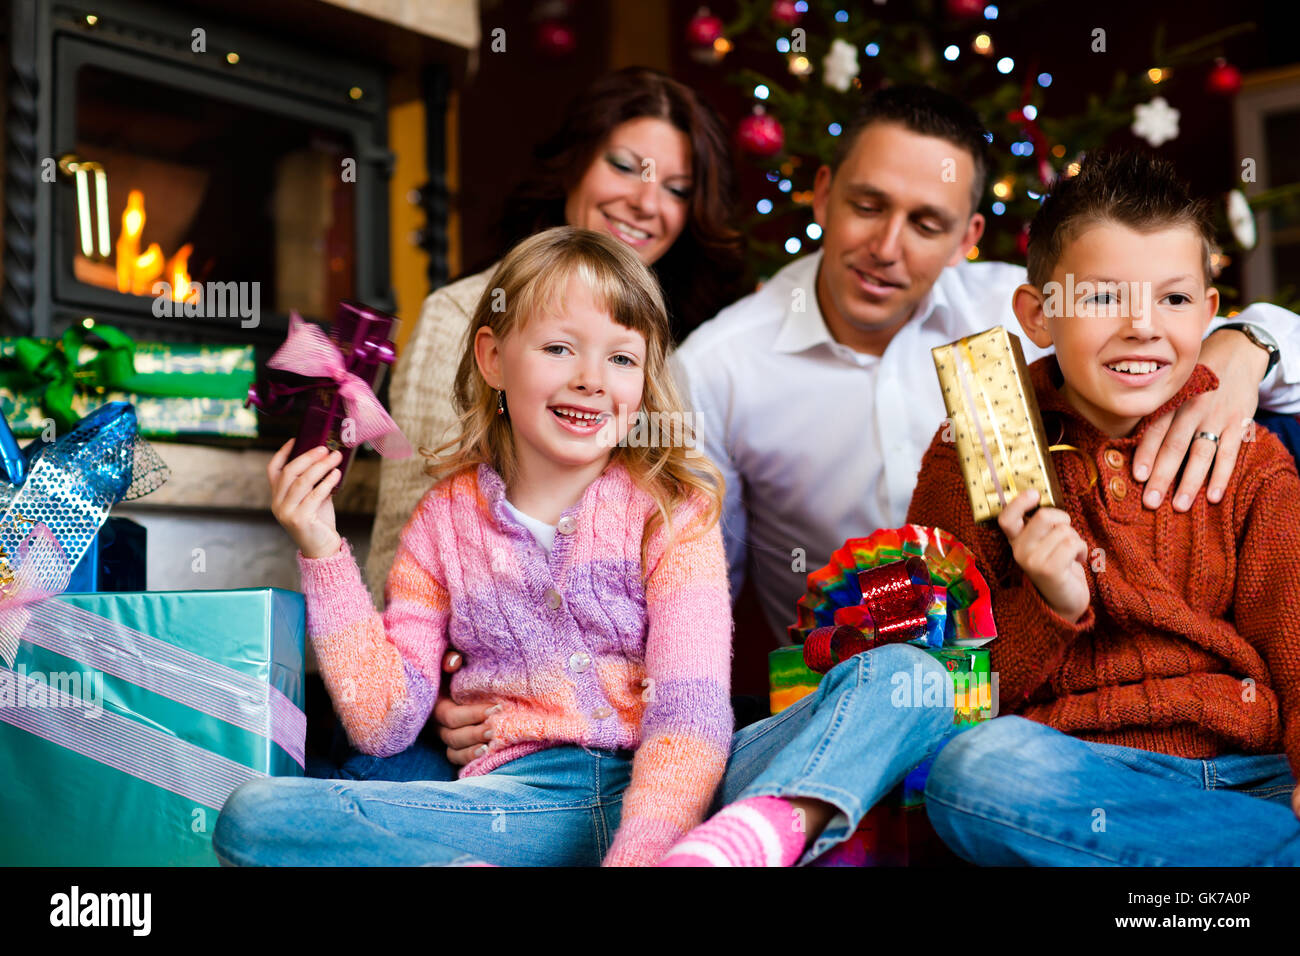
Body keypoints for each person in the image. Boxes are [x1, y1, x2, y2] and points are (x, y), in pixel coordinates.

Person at [213, 227, 955, 867]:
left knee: (904, 680)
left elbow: (690, 717)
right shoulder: (442, 522)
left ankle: (749, 840)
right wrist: (321, 550)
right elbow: (383, 722)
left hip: (697, 788)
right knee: (256, 817)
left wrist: (646, 852)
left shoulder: (671, 511)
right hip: (529, 805)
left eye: (621, 359)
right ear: (494, 358)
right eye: (561, 347)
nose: (591, 381)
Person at [671, 84, 1300, 649]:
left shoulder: (1045, 304)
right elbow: (695, 596)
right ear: (825, 195)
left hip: (1026, 663)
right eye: (868, 206)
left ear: (966, 238)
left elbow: (1174, 328)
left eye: (926, 223)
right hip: (858, 673)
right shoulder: (719, 366)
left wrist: (1247, 348)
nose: (887, 248)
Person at [908, 151, 1300, 866]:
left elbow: (1295, 643)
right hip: (1075, 776)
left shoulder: (1249, 458)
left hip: (1255, 776)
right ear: (1039, 316)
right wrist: (1047, 604)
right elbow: (945, 693)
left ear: (1210, 312)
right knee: (972, 773)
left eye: (1174, 300)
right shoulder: (972, 451)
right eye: (1101, 299)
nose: (1143, 327)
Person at [368, 66, 745, 607]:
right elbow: (404, 543)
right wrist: (445, 675)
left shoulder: (691, 339)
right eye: (623, 166)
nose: (646, 201)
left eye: (676, 189)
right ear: (573, 164)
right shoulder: (460, 313)